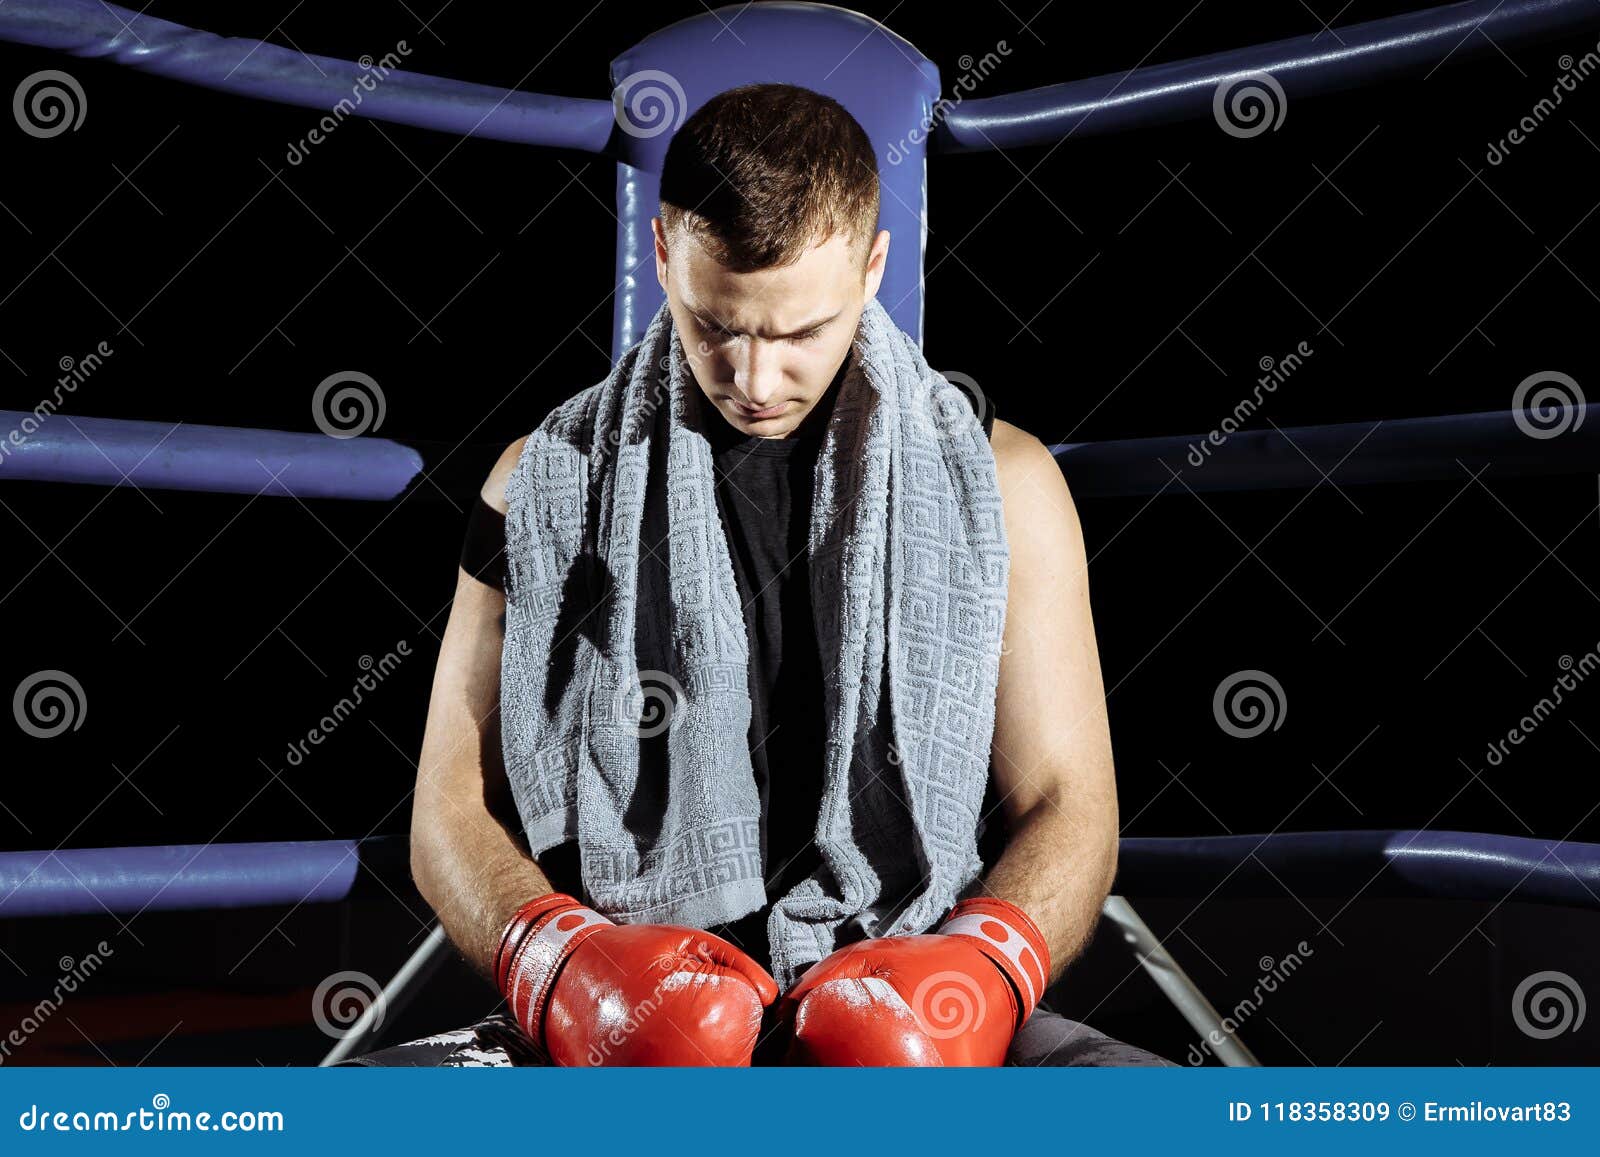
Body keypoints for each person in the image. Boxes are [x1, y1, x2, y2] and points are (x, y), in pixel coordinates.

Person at [351, 83, 1172, 1067]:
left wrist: (977, 974)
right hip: (622, 1005)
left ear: (872, 268)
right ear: (662, 255)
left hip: (910, 990)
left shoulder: (1004, 483)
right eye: (716, 325)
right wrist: (569, 969)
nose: (752, 378)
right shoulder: (541, 480)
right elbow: (447, 804)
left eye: (796, 335)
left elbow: (1070, 801)